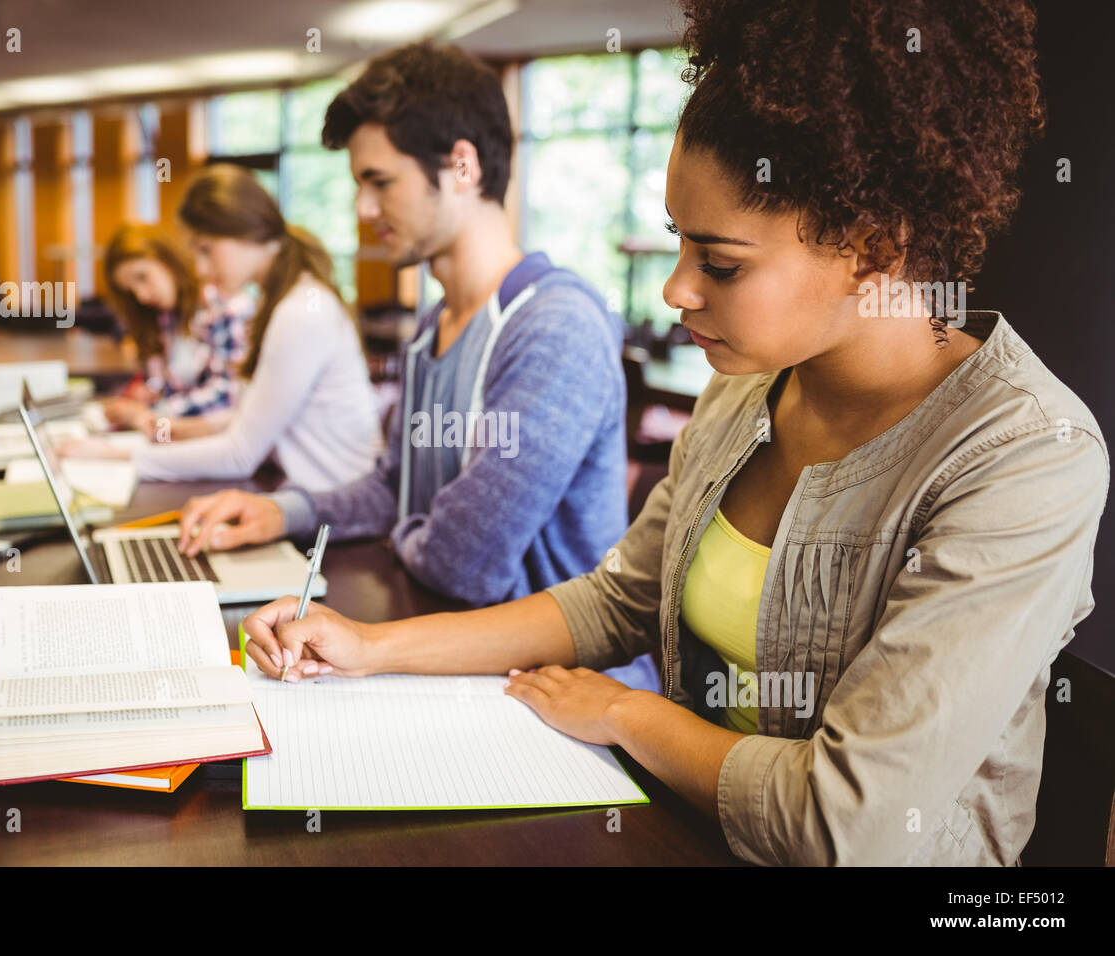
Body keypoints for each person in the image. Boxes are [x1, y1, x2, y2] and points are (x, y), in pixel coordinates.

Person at [236, 0, 1109, 866]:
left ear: (874, 248)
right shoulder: (745, 393)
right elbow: (617, 600)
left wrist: (627, 714)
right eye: (677, 244)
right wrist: (367, 646)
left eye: (721, 263)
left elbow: (849, 822)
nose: (677, 290)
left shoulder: (1025, 456)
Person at [177, 42, 634, 637]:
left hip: (556, 689)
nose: (363, 208)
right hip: (448, 646)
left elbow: (464, 562)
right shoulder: (430, 331)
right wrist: (281, 512)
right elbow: (397, 489)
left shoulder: (553, 327)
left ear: (462, 167)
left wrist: (410, 531)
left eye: (380, 182)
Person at [69, 165, 383, 491]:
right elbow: (256, 416)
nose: (202, 269)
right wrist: (188, 428)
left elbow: (239, 455)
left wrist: (118, 458)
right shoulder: (280, 300)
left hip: (336, 509)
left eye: (206, 250)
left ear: (245, 229)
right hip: (303, 493)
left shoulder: (300, 311)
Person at [97, 222, 248, 440]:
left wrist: (152, 414)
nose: (141, 295)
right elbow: (173, 383)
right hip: (178, 440)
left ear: (167, 259)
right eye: (131, 290)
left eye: (142, 277)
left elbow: (226, 397)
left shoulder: (227, 307)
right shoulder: (167, 317)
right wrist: (148, 394)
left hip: (218, 445)